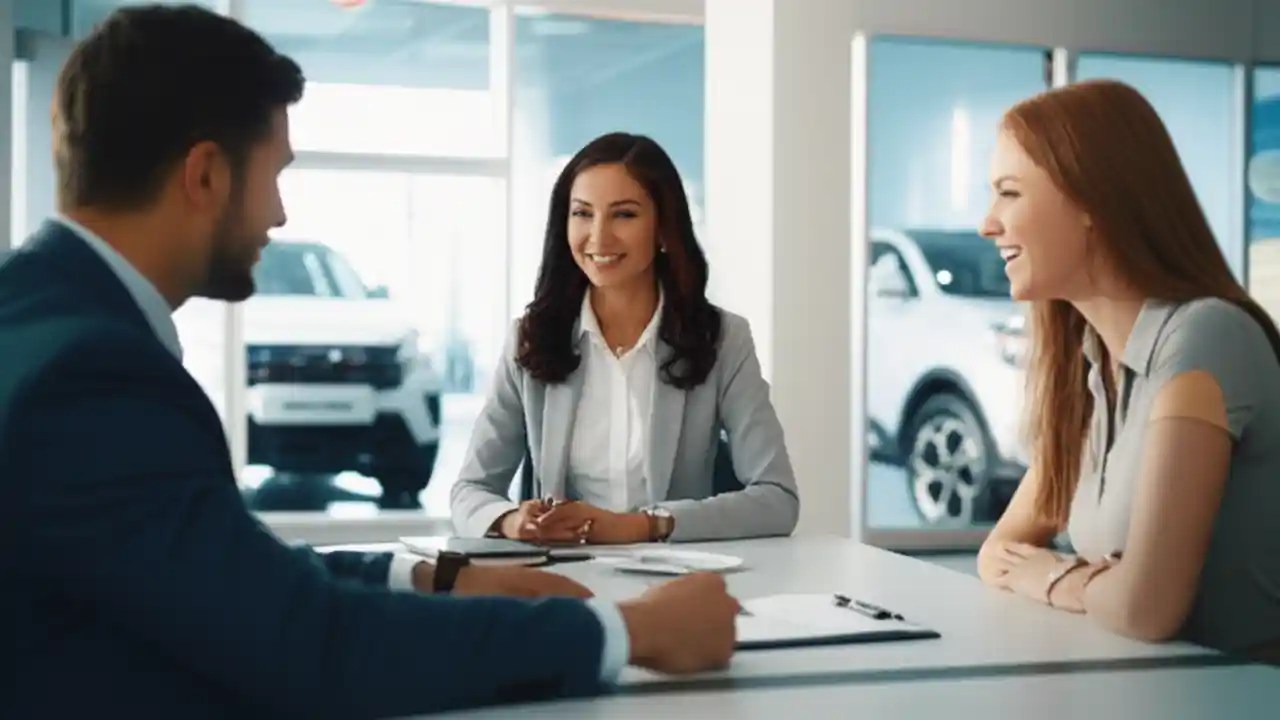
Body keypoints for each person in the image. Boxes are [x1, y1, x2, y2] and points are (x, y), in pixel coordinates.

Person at [0, 7, 739, 718]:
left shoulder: (38, 318)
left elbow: (230, 573)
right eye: (275, 174)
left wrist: (436, 576)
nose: (279, 214)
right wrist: (633, 632)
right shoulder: (92, 378)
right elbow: (318, 648)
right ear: (205, 176)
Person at [974, 79, 1280, 663]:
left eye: (1009, 194)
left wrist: (1054, 576)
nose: (988, 224)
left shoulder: (1205, 338)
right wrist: (1096, 582)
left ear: (1091, 199)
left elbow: (1146, 608)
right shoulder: (1091, 368)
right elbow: (1000, 552)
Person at [450, 132, 799, 545]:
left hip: (677, 583)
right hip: (564, 583)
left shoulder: (722, 340)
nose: (598, 237)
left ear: (665, 229)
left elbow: (778, 500)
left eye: (624, 215)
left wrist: (643, 526)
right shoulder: (532, 338)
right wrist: (511, 520)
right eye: (582, 213)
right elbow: (469, 491)